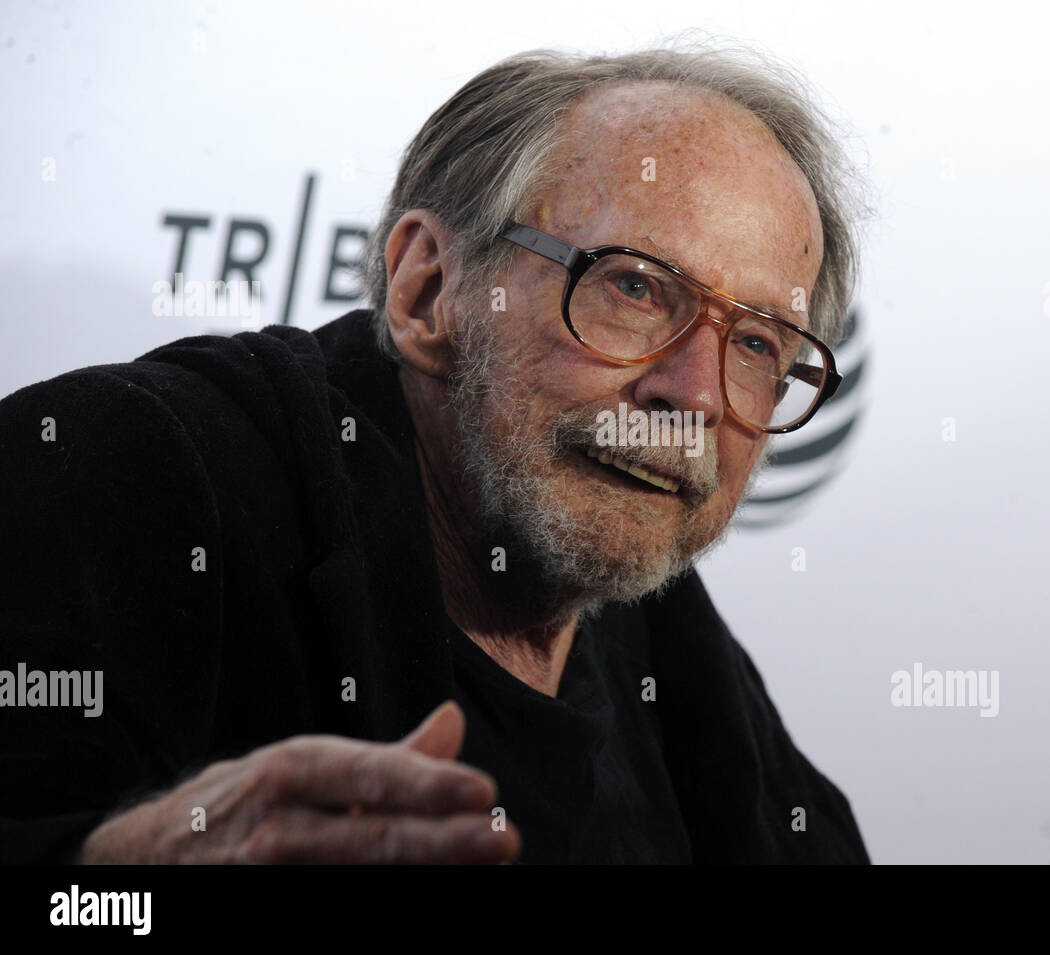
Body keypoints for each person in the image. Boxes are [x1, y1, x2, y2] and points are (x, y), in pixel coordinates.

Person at [0, 44, 870, 864]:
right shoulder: (128, 467)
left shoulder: (669, 642)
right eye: (635, 288)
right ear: (428, 290)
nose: (693, 397)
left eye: (757, 343)